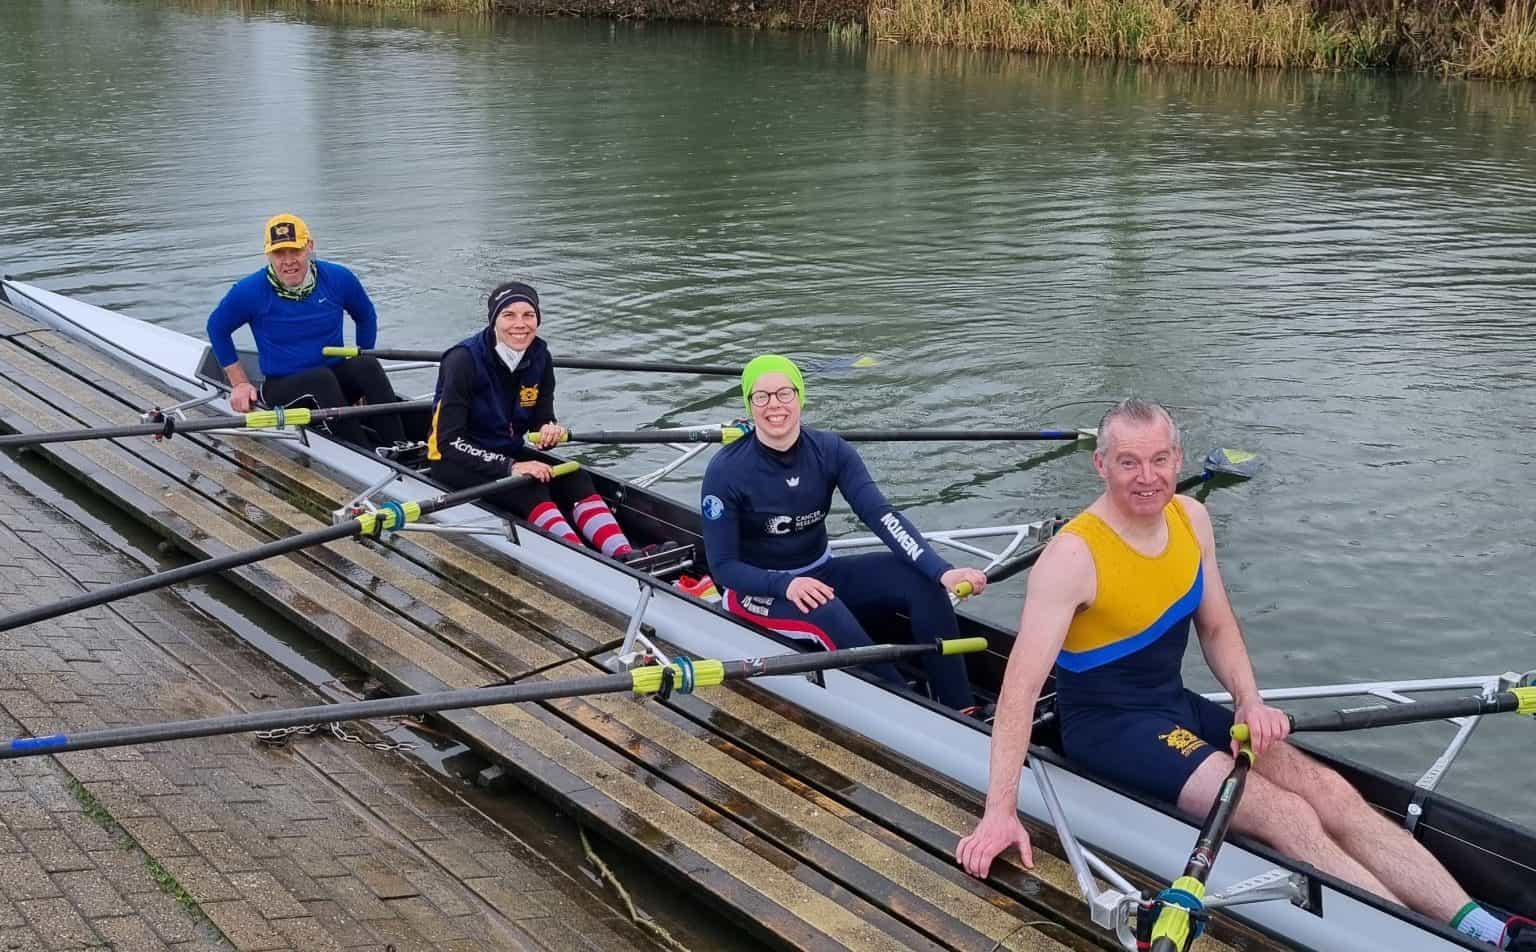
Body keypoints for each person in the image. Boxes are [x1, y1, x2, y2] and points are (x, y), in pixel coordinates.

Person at [954, 399, 1533, 949]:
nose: (1147, 477)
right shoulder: (1072, 557)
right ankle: (1422, 941)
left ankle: (1488, 930)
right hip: (1108, 727)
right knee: (1287, 813)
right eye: (1128, 462)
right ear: (1101, 465)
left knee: (1330, 791)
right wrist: (999, 812)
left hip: (1174, 705)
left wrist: (1250, 701)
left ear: (1178, 459)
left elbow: (1217, 626)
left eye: (1159, 459)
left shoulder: (1191, 518)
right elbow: (1019, 689)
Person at [698, 354, 988, 712]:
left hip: (821, 571)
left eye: (785, 393)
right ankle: (908, 709)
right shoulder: (726, 471)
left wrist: (943, 572)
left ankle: (960, 707)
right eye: (762, 396)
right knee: (826, 609)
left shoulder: (831, 450)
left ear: (800, 397)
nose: (775, 405)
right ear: (749, 405)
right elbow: (723, 568)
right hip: (756, 591)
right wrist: (786, 585)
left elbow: (882, 516)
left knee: (921, 581)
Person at [427, 280, 654, 562]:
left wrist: (548, 428)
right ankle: (583, 558)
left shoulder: (540, 356)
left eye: (528, 315)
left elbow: (541, 417)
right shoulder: (462, 360)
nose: (520, 324)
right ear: (493, 320)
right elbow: (448, 442)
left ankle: (625, 556)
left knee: (576, 477)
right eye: (509, 315)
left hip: (506, 452)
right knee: (528, 486)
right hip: (453, 461)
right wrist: (511, 466)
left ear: (538, 319)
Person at [206, 213, 407, 447]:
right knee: (320, 379)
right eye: (279, 253)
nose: (288, 261)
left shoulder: (338, 278)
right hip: (282, 388)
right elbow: (216, 328)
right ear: (268, 254)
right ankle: (366, 453)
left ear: (310, 247)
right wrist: (240, 383)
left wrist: (362, 370)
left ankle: (400, 446)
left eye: (295, 251)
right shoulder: (249, 291)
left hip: (334, 381)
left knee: (367, 365)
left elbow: (366, 316)